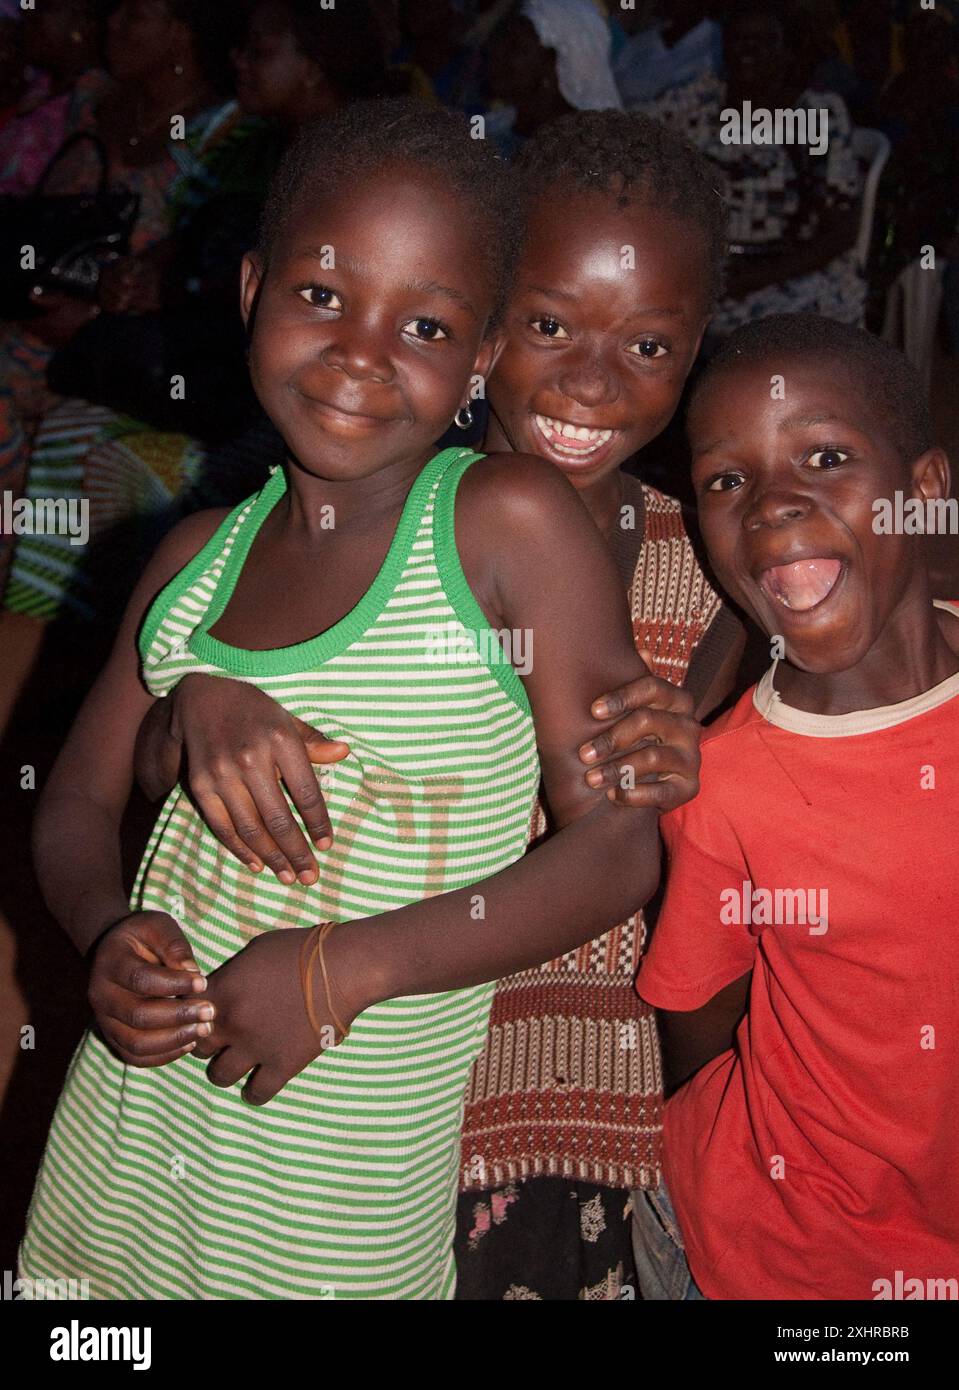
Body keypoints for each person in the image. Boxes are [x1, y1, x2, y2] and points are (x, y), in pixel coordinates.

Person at [17, 98, 701, 1301]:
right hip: (117, 1164)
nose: (360, 353)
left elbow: (613, 851)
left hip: (332, 1215)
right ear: (248, 291)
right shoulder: (188, 561)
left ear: (478, 356)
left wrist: (344, 970)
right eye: (323, 297)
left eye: (424, 323)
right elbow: (72, 797)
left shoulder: (503, 525)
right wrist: (102, 933)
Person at [633, 313, 959, 1299]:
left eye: (823, 455)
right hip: (781, 1255)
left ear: (923, 492)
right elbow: (697, 1019)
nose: (771, 505)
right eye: (725, 481)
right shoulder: (726, 783)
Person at [640, 2, 865, 342]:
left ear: (787, 51)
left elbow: (840, 231)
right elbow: (627, 137)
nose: (748, 51)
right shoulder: (696, 103)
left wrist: (753, 278)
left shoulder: (816, 116)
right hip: (711, 269)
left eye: (763, 41)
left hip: (795, 273)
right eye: (738, 40)